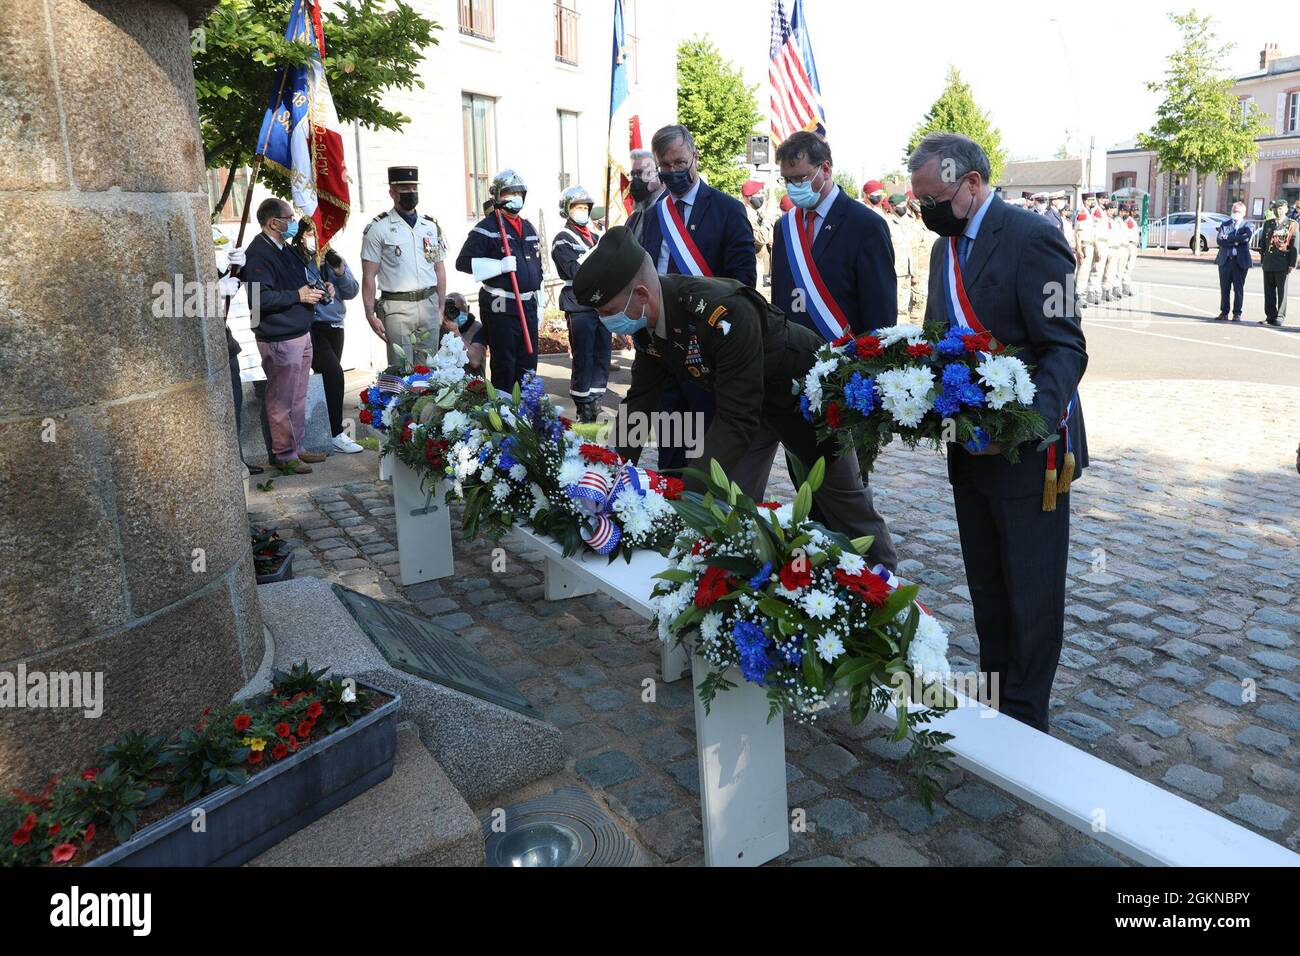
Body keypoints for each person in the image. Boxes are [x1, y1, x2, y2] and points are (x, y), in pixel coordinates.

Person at [573, 226, 897, 564]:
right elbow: (642, 398)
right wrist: (615, 471)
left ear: (640, 294)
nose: (604, 320)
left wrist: (689, 492)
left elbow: (735, 418)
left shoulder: (721, 312)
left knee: (844, 499)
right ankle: (744, 578)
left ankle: (888, 584)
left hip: (803, 399)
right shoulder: (649, 323)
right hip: (745, 405)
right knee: (730, 502)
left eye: (608, 311)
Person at [910, 132, 1088, 732]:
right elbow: (943, 340)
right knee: (987, 586)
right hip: (970, 447)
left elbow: (1066, 345)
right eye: (919, 201)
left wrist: (1031, 424)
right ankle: (994, 701)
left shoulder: (1034, 237)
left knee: (1030, 592)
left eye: (934, 197)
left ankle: (1026, 719)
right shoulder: (945, 249)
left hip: (1029, 451)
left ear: (972, 183)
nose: (927, 210)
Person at [767, 130, 898, 569]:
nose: (793, 186)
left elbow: (880, 317)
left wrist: (866, 378)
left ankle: (866, 567)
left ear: (826, 170)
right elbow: (782, 306)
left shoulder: (866, 224)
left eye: (801, 176)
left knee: (847, 485)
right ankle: (822, 563)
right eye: (786, 179)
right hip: (797, 375)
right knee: (806, 477)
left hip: (847, 380)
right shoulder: (783, 228)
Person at [636, 124, 755, 473]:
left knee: (707, 450)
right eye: (665, 167)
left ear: (695, 157)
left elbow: (742, 282)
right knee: (671, 444)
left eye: (679, 163)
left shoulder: (727, 210)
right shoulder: (654, 214)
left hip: (712, 348)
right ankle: (670, 501)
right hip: (666, 345)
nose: (673, 172)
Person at [241, 197, 326, 475]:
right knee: (282, 399)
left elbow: (296, 283)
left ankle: (296, 447)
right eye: (288, 218)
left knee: (298, 396)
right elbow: (259, 297)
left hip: (299, 331)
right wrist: (298, 295)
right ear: (273, 222)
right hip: (278, 337)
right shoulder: (258, 253)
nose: (293, 223)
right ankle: (284, 454)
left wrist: (316, 289)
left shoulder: (284, 248)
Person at [456, 169, 545, 389]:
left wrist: (539, 300)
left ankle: (527, 410)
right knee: (505, 362)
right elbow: (463, 262)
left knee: (528, 363)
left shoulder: (529, 227)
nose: (515, 198)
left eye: (518, 193)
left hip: (528, 304)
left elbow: (537, 266)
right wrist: (498, 266)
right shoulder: (487, 228)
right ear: (497, 196)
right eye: (509, 193)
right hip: (501, 303)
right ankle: (504, 414)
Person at [360, 166, 448, 367]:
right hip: (397, 308)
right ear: (392, 193)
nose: (411, 193)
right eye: (405, 189)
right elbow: (368, 277)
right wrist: (369, 314)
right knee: (402, 370)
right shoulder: (378, 228)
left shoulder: (430, 226)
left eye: (414, 188)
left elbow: (439, 269)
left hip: (429, 304)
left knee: (429, 371)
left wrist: (441, 306)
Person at [289, 217, 363, 454]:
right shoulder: (295, 259)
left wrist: (339, 271)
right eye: (311, 234)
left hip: (335, 326)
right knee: (334, 373)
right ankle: (335, 432)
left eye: (319, 234)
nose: (316, 239)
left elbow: (351, 291)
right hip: (312, 326)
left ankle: (318, 431)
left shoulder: (332, 258)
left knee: (326, 379)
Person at [552, 184, 610, 422]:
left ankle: (597, 398)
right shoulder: (562, 239)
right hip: (578, 303)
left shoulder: (596, 237)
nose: (582, 211)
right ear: (567, 210)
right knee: (584, 355)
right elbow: (573, 270)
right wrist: (597, 252)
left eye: (585, 207)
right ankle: (583, 404)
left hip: (601, 303)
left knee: (602, 353)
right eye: (577, 207)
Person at [1260, 199, 1297, 326]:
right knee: (1268, 291)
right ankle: (1270, 315)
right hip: (1268, 262)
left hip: (1282, 263)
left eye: (1281, 208)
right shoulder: (1268, 223)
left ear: (1286, 209)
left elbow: (1294, 244)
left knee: (1281, 291)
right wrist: (1262, 261)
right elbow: (1263, 244)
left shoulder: (1291, 224)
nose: (1279, 211)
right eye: (1276, 208)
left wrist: (1292, 263)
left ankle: (1280, 316)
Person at [1215, 202, 1253, 321]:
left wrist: (1229, 238)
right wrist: (1236, 241)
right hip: (1225, 261)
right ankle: (1224, 312)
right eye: (1234, 211)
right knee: (1224, 288)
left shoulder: (1248, 225)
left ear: (1243, 213)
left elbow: (1246, 238)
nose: (1235, 214)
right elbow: (1220, 240)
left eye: (1238, 212)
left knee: (1238, 289)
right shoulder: (1225, 225)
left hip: (1240, 261)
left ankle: (1237, 313)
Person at [908, 194, 938, 323]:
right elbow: (911, 251)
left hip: (930, 272)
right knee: (918, 311)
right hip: (920, 275)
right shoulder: (915, 228)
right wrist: (914, 274)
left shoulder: (932, 226)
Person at [441, 292, 488, 374]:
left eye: (460, 309)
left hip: (472, 384)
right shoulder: (441, 328)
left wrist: (455, 332)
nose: (456, 313)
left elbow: (475, 361)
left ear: (468, 309)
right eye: (452, 310)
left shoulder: (478, 328)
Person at [624, 148, 662, 245]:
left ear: (658, 175)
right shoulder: (633, 219)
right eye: (633, 175)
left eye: (641, 173)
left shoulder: (669, 213)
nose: (635, 180)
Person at [885, 192, 914, 319]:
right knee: (896, 308)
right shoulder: (886, 222)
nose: (903, 207)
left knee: (907, 307)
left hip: (909, 270)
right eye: (900, 205)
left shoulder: (909, 222)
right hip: (894, 271)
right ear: (892, 206)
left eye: (904, 204)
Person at [741, 180, 774, 287]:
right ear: (748, 197)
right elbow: (761, 239)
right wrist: (768, 218)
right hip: (755, 268)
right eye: (758, 193)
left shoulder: (757, 213)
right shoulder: (745, 215)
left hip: (763, 267)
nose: (762, 196)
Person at [1073, 193, 1100, 308]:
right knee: (1082, 271)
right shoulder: (1083, 213)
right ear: (1085, 201)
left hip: (1090, 245)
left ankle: (1081, 295)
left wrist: (1096, 248)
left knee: (1087, 271)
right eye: (1090, 200)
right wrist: (1079, 249)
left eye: (1093, 199)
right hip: (1084, 245)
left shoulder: (1089, 213)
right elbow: (1078, 233)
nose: (1093, 201)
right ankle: (1079, 295)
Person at [1120, 205, 1140, 297]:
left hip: (1133, 245)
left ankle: (1125, 286)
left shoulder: (1132, 221)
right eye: (1134, 211)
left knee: (1129, 267)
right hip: (1130, 245)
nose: (1136, 213)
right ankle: (1125, 287)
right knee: (1127, 267)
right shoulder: (1128, 221)